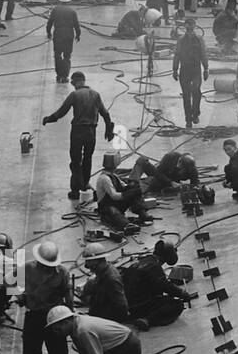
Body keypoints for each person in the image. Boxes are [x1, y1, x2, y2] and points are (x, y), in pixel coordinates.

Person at [42, 72, 114, 200]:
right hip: (91, 132)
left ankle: (76, 190)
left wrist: (49, 119)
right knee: (87, 159)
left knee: (75, 161)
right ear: (84, 81)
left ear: (75, 82)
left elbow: (62, 111)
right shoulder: (95, 94)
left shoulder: (74, 95)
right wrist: (109, 129)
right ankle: (85, 185)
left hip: (77, 131)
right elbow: (105, 114)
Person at [17, 239, 72, 354]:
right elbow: (11, 282)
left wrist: (70, 318)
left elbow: (68, 295)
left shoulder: (62, 272)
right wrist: (19, 295)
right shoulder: (26, 268)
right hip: (34, 316)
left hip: (54, 317)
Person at [121, 241, 192, 327]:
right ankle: (147, 320)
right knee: (177, 304)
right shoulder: (154, 267)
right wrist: (182, 293)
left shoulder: (139, 263)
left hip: (126, 305)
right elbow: (166, 286)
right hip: (138, 308)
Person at [92, 152, 149, 233]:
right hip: (106, 207)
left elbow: (124, 186)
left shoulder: (113, 176)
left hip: (116, 204)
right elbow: (114, 196)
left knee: (135, 190)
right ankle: (126, 224)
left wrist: (132, 188)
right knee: (113, 210)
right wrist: (129, 194)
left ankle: (142, 213)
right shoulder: (104, 178)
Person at [172, 17, 209, 127]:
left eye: (191, 27)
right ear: (185, 27)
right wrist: (174, 69)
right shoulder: (181, 40)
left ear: (194, 27)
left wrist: (206, 68)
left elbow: (203, 54)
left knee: (196, 92)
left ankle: (195, 114)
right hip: (184, 69)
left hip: (196, 69)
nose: (190, 30)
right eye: (187, 27)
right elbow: (177, 55)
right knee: (186, 95)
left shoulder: (199, 40)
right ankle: (188, 119)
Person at [80, 242, 131, 322]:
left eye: (93, 267)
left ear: (101, 261)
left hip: (107, 318)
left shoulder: (112, 279)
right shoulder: (101, 272)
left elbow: (121, 305)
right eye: (88, 267)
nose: (91, 270)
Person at [46, 0, 82, 83]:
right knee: (67, 55)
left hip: (58, 34)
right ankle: (65, 76)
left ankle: (58, 75)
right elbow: (76, 25)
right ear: (69, 1)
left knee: (57, 55)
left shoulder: (55, 10)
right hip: (68, 34)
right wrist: (78, 35)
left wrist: (49, 32)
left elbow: (50, 22)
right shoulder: (72, 11)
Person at [129, 150, 199, 194]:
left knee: (151, 183)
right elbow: (157, 172)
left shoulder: (192, 169)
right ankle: (132, 183)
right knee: (142, 160)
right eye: (179, 165)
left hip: (163, 183)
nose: (179, 168)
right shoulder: (170, 156)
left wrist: (189, 189)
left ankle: (138, 189)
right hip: (160, 175)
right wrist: (171, 182)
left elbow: (195, 184)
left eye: (183, 169)